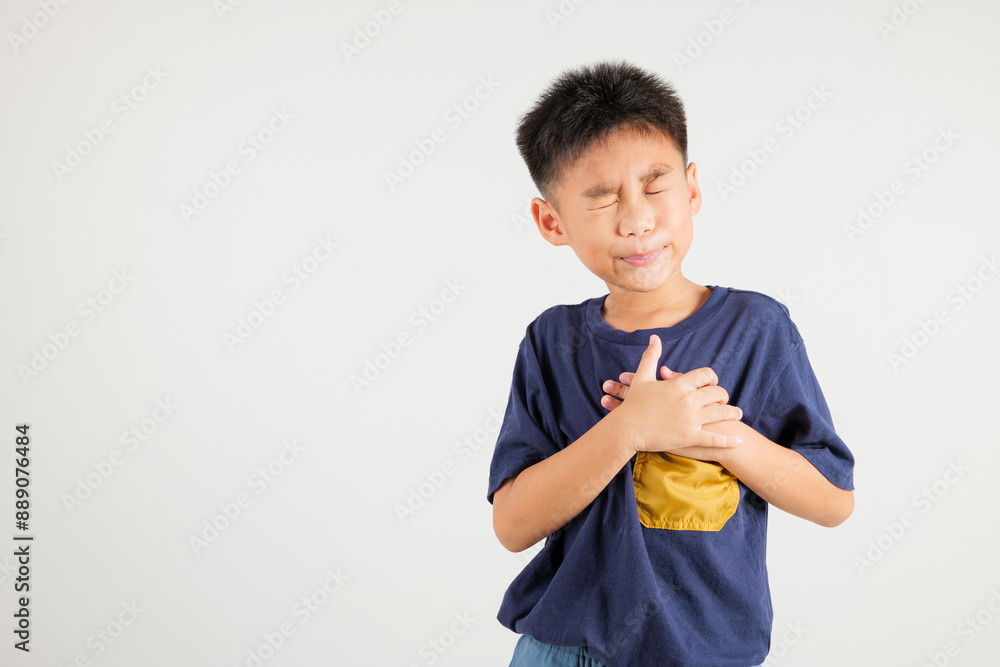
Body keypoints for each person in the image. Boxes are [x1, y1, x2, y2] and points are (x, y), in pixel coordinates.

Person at [487, 59, 856, 667]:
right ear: (552, 222)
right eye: (601, 198)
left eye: (655, 186)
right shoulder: (551, 342)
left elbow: (833, 500)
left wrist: (713, 435)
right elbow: (512, 525)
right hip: (562, 650)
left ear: (691, 189)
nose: (637, 220)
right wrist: (629, 429)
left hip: (707, 654)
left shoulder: (757, 329)